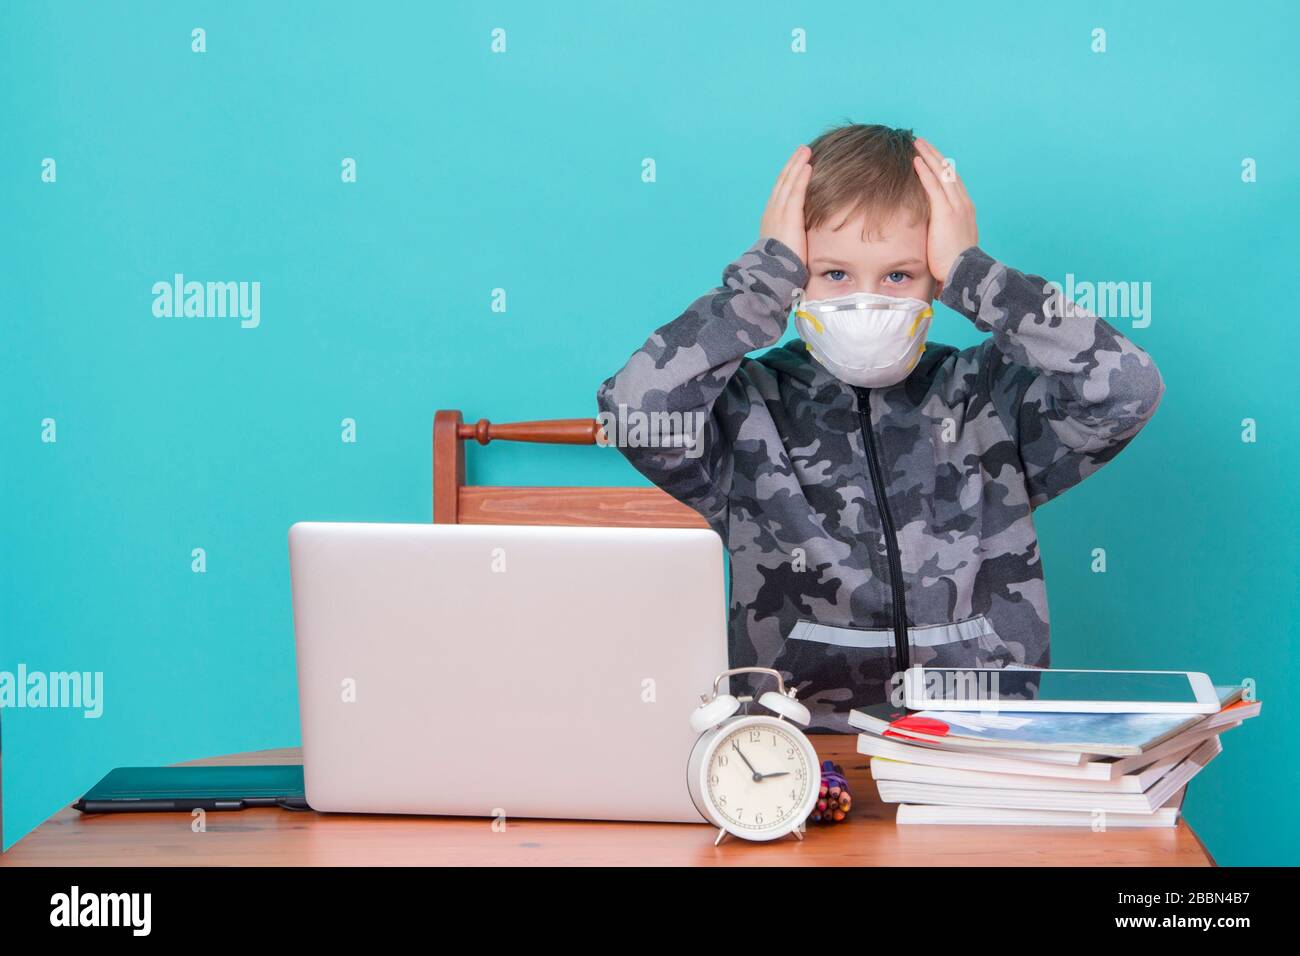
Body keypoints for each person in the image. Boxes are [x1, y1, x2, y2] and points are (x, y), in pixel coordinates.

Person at [596, 124, 1164, 732]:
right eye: (834, 274)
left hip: (982, 745)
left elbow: (1127, 388)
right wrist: (759, 284)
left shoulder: (988, 395)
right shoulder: (746, 410)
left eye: (899, 275)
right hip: (795, 757)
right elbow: (636, 413)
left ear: (935, 282)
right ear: (797, 282)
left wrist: (978, 276)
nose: (866, 302)